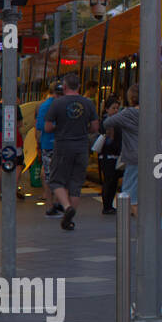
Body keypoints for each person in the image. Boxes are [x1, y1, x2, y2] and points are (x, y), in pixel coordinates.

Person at [103, 83, 162, 219]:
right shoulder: (156, 112)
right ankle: (153, 227)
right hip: (159, 158)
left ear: (131, 98)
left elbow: (107, 123)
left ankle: (146, 230)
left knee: (129, 197)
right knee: (154, 197)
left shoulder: (128, 113)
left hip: (137, 158)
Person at [43, 72, 99, 231]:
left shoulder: (57, 103)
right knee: (76, 184)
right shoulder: (88, 103)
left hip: (62, 147)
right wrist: (82, 129)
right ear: (79, 87)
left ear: (64, 87)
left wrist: (59, 127)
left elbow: (47, 127)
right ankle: (69, 221)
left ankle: (67, 207)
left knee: (55, 180)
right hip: (81, 148)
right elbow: (95, 127)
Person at [35, 81, 63, 216]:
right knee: (58, 175)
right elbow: (42, 126)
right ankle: (54, 204)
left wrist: (38, 145)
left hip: (48, 144)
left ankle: (51, 205)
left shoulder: (44, 105)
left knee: (49, 175)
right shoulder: (58, 105)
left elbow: (39, 127)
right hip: (58, 144)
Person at [97, 96, 122, 215]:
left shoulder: (116, 122)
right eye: (114, 108)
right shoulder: (106, 122)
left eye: (118, 108)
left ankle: (109, 205)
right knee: (109, 181)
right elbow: (108, 142)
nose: (116, 110)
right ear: (107, 109)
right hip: (108, 157)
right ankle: (107, 206)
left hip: (114, 156)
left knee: (113, 182)